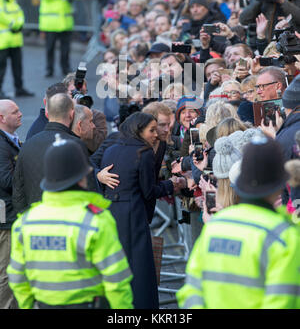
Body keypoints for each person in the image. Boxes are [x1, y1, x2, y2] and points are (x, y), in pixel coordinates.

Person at [7, 135, 133, 309]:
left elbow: (16, 276)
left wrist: (28, 305)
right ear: (82, 178)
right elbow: (116, 279)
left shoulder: (25, 222)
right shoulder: (96, 220)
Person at [177, 135, 300, 309]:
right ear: (280, 183)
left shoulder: (215, 225)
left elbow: (191, 290)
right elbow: (281, 302)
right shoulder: (284, 236)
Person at [99, 112, 183, 309]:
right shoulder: (143, 152)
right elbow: (149, 191)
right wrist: (172, 184)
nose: (156, 134)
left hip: (111, 211)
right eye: (151, 130)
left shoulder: (111, 149)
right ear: (138, 130)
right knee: (140, 269)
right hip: (133, 213)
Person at [12, 93, 94, 214]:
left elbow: (18, 190)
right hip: (68, 219)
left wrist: (26, 215)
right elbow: (88, 187)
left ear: (47, 113)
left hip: (35, 219)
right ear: (72, 114)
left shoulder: (27, 145)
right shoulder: (75, 145)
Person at [37, 0, 85, 78]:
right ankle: (49, 69)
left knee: (66, 48)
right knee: (50, 48)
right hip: (50, 22)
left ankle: (65, 68)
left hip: (66, 21)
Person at [0, 100, 22, 309]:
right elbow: (6, 180)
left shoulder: (8, 140)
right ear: (2, 118)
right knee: (6, 272)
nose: (21, 114)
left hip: (7, 215)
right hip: (5, 219)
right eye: (15, 112)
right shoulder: (1, 145)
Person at [0, 0, 33, 99]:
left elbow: (19, 12)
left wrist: (19, 23)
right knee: (1, 68)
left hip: (15, 38)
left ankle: (19, 88)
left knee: (17, 66)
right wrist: (13, 24)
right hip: (3, 40)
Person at [63, 72, 107, 152]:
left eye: (82, 92)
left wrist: (84, 116)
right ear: (65, 94)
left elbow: (98, 145)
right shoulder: (61, 115)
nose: (79, 96)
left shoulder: (97, 116)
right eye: (74, 93)